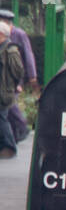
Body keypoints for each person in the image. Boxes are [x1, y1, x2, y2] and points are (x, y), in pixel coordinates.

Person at [0, 10, 35, 143]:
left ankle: (21, 127)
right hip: (4, 76)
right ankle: (16, 131)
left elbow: (28, 54)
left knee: (9, 104)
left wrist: (32, 76)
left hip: (14, 77)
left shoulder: (19, 34)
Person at [0, 23, 23, 158]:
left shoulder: (10, 50)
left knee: (2, 118)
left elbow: (18, 71)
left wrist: (12, 85)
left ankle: (9, 146)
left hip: (4, 91)